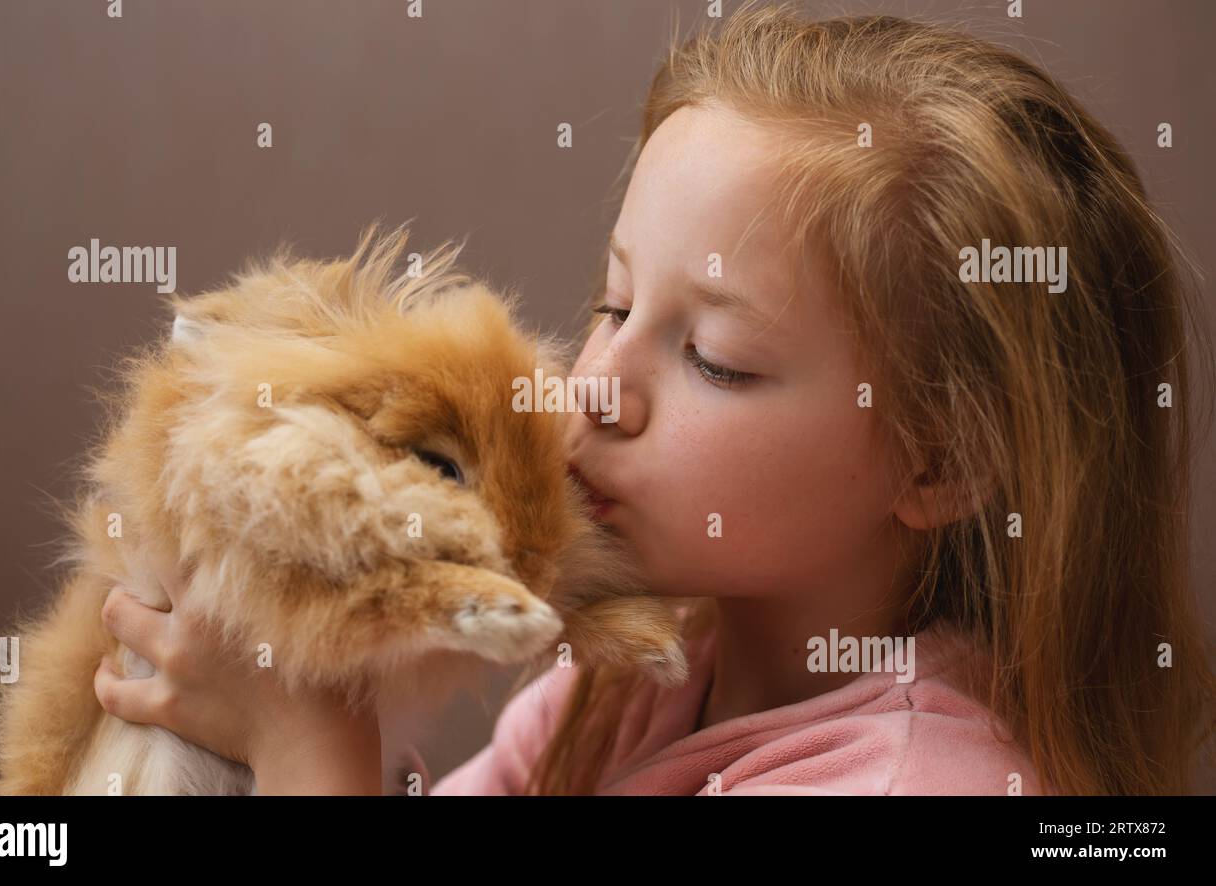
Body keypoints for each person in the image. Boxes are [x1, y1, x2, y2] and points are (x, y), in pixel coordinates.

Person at [94, 1, 1216, 795]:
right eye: (613, 303)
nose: (596, 388)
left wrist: (307, 749)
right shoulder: (633, 684)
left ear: (942, 460)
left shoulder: (911, 783)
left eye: (715, 358)